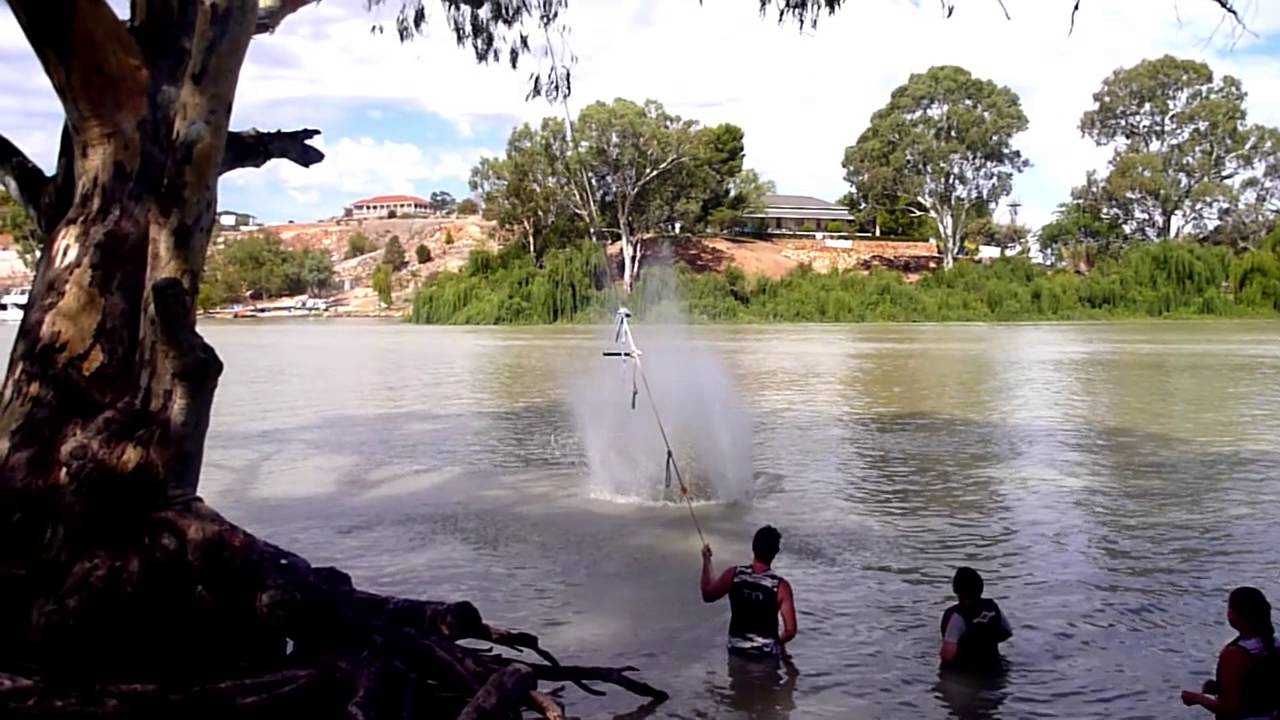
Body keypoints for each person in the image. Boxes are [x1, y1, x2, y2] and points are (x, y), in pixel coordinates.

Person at [1181, 586, 1280, 720]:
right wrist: (1220, 687)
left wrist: (1198, 699)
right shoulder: (1275, 644)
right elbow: (1262, 685)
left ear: (1233, 614)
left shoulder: (1234, 654)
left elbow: (1228, 709)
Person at [701, 525, 797, 658]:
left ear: (753, 547)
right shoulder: (781, 587)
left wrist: (707, 561)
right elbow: (790, 631)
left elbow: (708, 595)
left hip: (737, 652)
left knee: (738, 679)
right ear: (775, 552)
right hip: (766, 657)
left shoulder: (734, 575)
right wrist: (777, 644)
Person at [940, 567, 1012, 671]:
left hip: (966, 673)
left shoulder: (957, 615)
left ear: (955, 589)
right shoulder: (992, 607)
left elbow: (948, 655)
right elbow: (1007, 632)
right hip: (994, 667)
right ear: (981, 587)